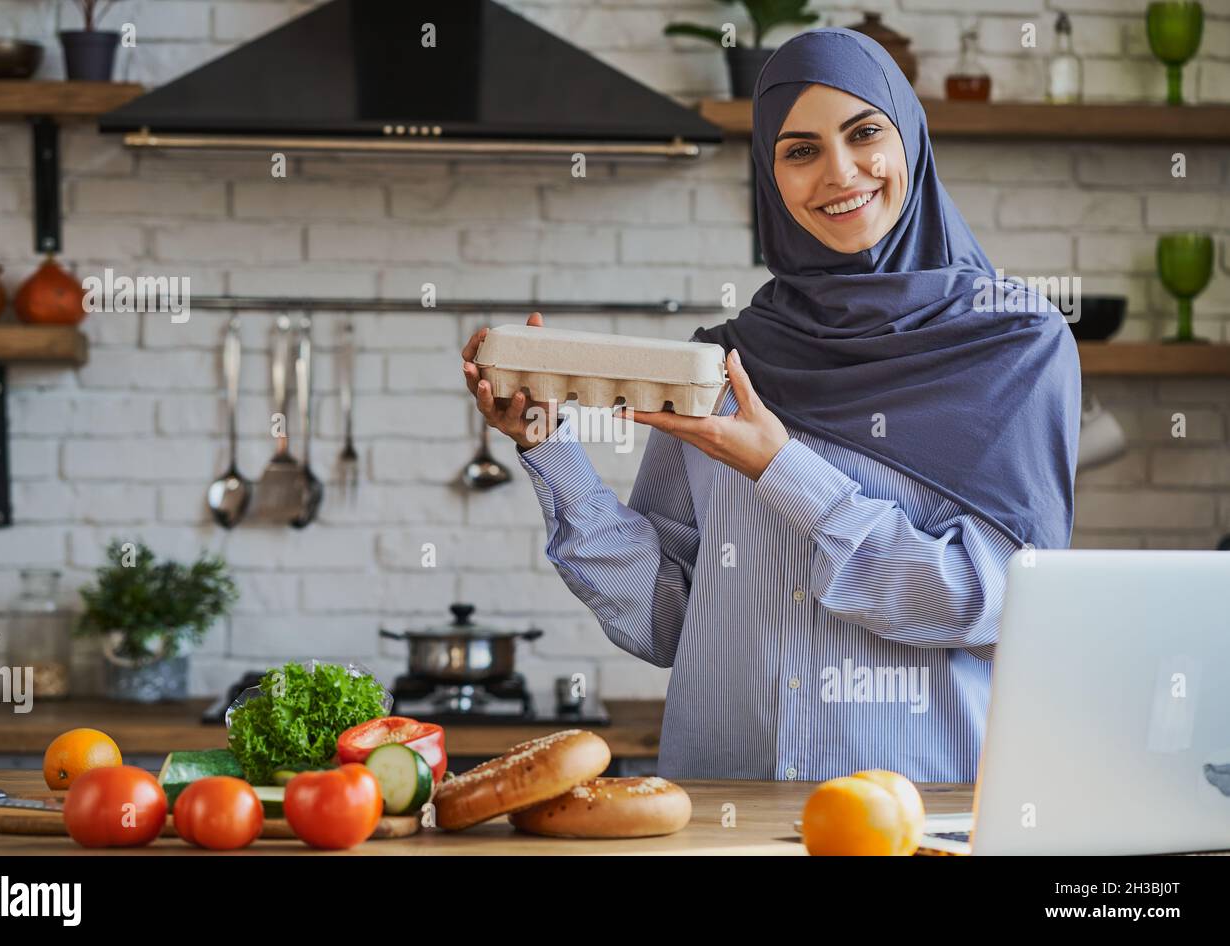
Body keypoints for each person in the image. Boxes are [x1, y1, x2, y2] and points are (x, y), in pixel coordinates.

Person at [459, 29, 1080, 781]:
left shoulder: (1014, 344)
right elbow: (668, 622)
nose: (840, 172)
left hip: (921, 811)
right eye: (800, 150)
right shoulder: (719, 362)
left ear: (909, 139)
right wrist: (546, 443)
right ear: (769, 175)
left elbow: (991, 608)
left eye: (864, 133)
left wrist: (782, 469)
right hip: (730, 800)